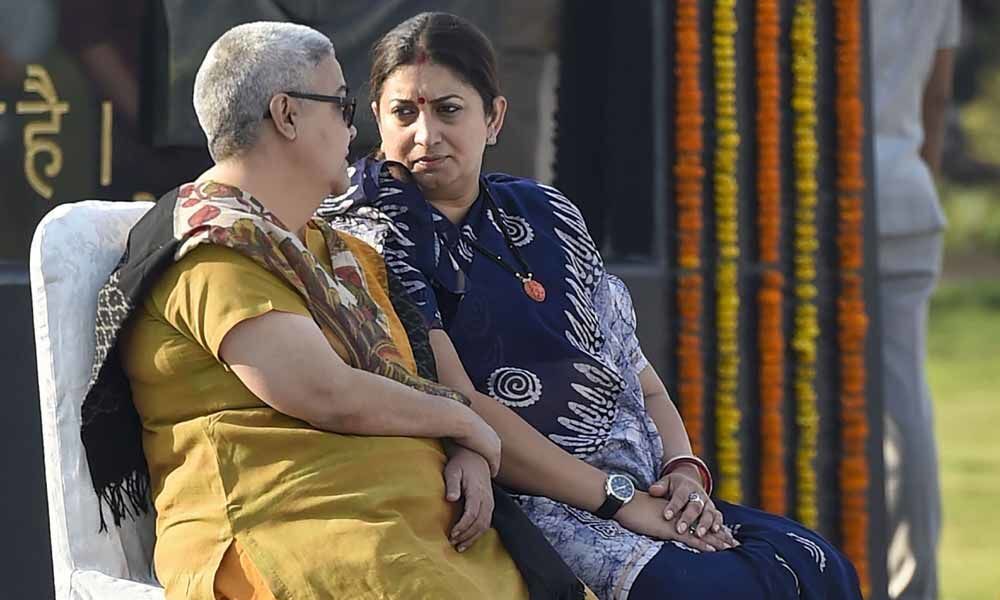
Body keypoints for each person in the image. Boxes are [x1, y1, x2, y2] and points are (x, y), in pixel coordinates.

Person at [320, 12, 863, 600]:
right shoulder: (373, 232)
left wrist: (684, 473)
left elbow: (638, 376)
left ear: (494, 117)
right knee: (714, 591)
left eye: (448, 110)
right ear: (376, 118)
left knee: (817, 565)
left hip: (645, 491)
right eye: (405, 112)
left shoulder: (545, 211)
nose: (425, 135)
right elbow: (460, 401)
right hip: (532, 498)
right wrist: (618, 500)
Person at [79, 21, 589, 600]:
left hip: (409, 533)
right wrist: (464, 422)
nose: (357, 128)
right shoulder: (214, 247)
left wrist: (464, 444)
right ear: (288, 115)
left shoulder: (335, 250)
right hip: (295, 536)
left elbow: (412, 376)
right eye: (344, 106)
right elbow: (322, 391)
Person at [870, 3, 961, 599]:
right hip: (906, 193)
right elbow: (937, 94)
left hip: (822, 202)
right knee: (906, 417)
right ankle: (915, 584)